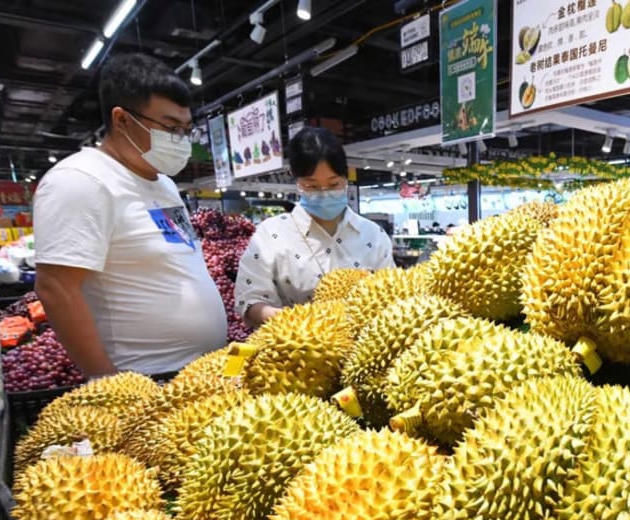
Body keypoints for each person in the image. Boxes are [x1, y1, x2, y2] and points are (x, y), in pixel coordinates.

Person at [32, 53, 226, 377]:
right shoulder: (81, 180)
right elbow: (55, 287)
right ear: (121, 120)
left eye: (186, 130)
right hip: (144, 383)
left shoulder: (164, 184)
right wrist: (111, 387)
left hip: (205, 376)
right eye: (170, 127)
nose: (180, 140)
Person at [235, 127, 393, 328]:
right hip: (298, 350)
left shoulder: (373, 235)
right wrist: (293, 321)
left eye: (334, 183)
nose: (324, 192)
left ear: (346, 179)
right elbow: (249, 301)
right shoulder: (270, 234)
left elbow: (392, 293)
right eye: (312, 186)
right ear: (297, 182)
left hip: (369, 350)